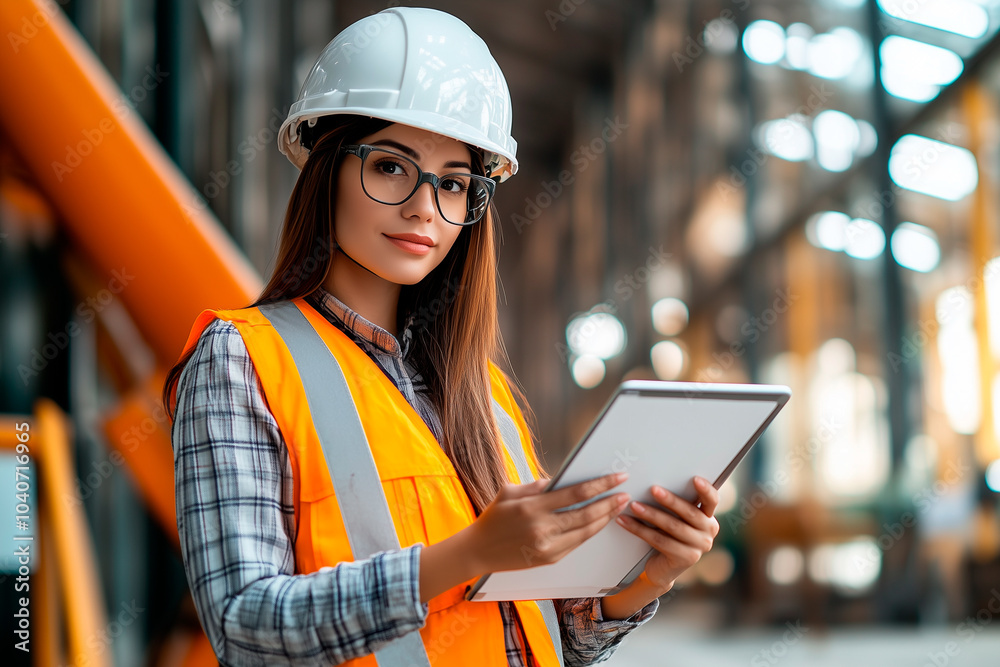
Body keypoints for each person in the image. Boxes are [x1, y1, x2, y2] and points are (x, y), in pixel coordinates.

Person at [164, 7, 721, 666]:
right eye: (392, 166)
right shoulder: (239, 360)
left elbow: (541, 637)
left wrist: (648, 574)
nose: (425, 206)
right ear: (326, 167)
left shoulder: (483, 391)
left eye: (453, 183)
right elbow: (244, 629)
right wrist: (470, 553)